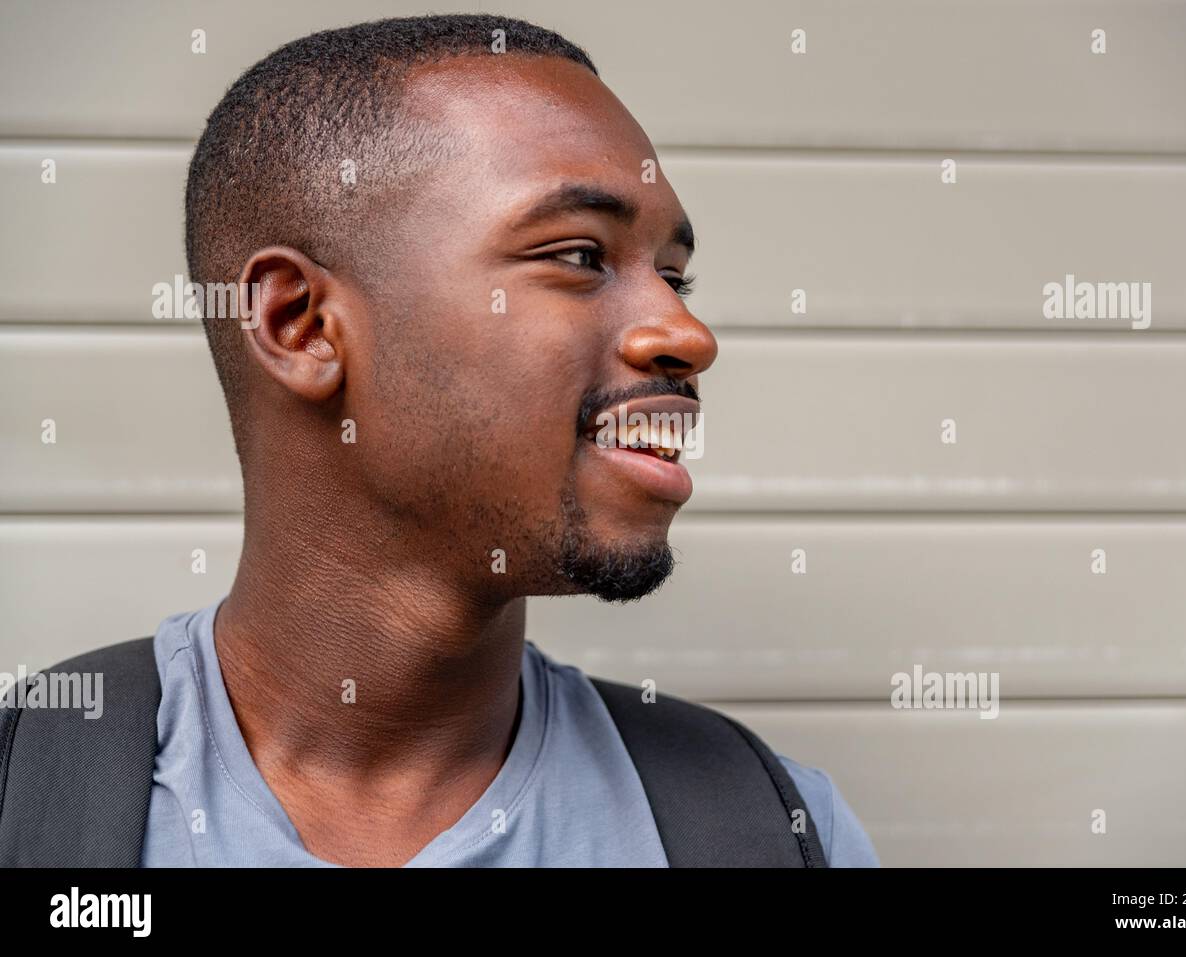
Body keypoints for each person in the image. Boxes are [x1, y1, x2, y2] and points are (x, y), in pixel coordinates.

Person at [32, 13, 882, 868]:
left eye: (672, 274)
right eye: (581, 256)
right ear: (300, 325)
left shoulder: (769, 830)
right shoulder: (32, 803)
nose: (687, 333)